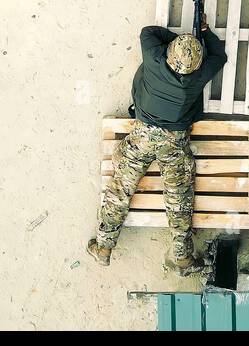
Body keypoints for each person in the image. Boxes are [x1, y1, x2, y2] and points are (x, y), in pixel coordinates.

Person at [87, 16, 226, 275]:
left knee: (121, 188)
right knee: (179, 201)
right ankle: (182, 258)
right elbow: (220, 56)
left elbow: (148, 31)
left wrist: (175, 41)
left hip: (142, 136)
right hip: (174, 142)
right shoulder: (196, 78)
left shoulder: (154, 58)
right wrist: (204, 33)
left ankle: (104, 247)